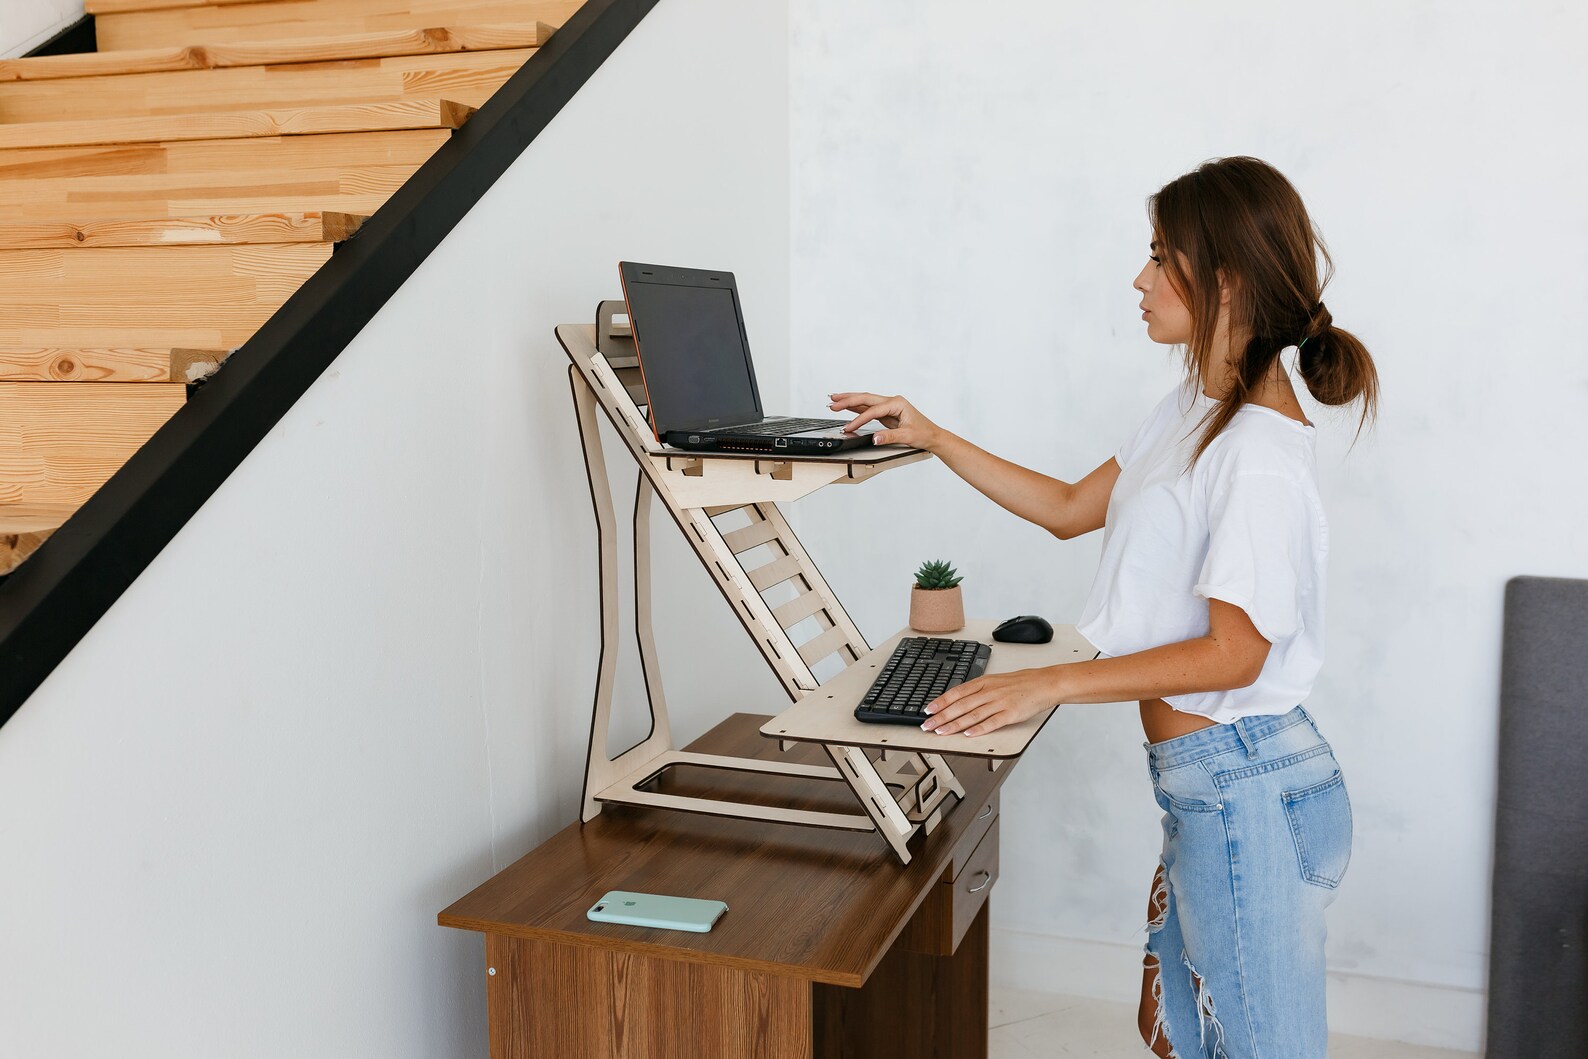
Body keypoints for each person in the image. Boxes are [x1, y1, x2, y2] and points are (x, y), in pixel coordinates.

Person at [828, 155, 1379, 1058]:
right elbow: (1067, 510)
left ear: (1227, 279)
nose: (1140, 276)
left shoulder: (1257, 451)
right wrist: (930, 435)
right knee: (1174, 1034)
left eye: (1162, 256)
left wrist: (1047, 683)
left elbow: (1233, 655)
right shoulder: (1191, 409)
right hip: (1207, 787)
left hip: (1249, 787)